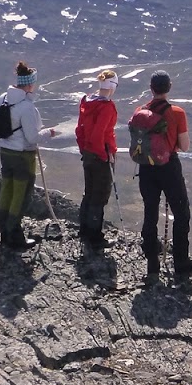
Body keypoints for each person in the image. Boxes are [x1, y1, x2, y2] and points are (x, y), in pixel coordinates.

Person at [136, 71, 192, 281]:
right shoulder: (177, 113)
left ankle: (152, 266)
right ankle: (181, 263)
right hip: (168, 167)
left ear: (151, 88)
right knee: (181, 213)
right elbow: (184, 146)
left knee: (150, 213)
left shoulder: (141, 111)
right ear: (169, 87)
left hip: (146, 166)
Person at [0, 60, 59, 250]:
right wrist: (49, 133)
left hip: (5, 152)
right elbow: (32, 138)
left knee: (7, 188)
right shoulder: (27, 107)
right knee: (21, 194)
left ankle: (3, 225)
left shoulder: (2, 99)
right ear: (30, 84)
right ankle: (14, 233)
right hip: (23, 156)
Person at [74, 69, 118, 250]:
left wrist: (84, 149)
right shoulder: (106, 107)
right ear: (113, 86)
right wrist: (103, 155)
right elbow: (100, 133)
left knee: (89, 191)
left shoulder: (87, 102)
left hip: (88, 154)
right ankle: (95, 236)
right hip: (102, 155)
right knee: (99, 195)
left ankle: (84, 229)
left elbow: (80, 130)